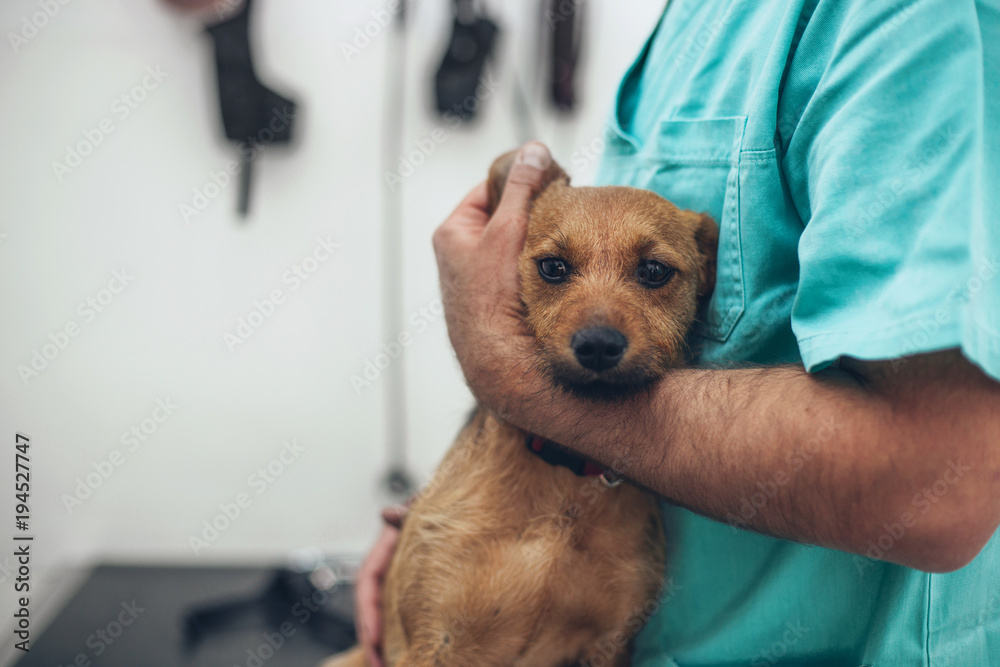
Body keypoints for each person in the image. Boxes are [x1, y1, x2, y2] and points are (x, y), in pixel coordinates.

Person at [359, 0, 1000, 664]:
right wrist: (447, 523)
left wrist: (510, 371)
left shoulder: (908, 17)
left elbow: (941, 479)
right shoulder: (687, 21)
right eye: (553, 267)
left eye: (655, 272)